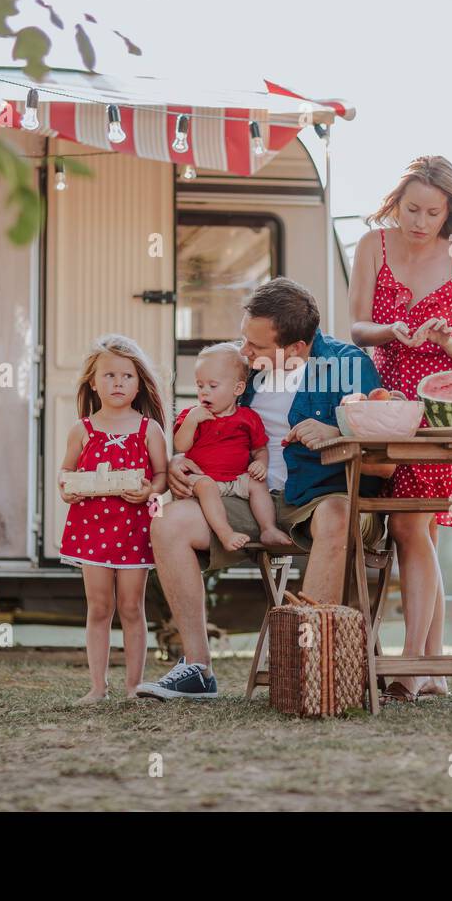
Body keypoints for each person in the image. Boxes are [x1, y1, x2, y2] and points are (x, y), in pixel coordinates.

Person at [135, 278, 389, 701]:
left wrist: (336, 429)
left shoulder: (347, 364)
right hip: (248, 494)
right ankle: (197, 668)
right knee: (168, 523)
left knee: (337, 515)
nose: (244, 351)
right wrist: (181, 460)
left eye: (254, 344)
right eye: (243, 338)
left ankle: (314, 666)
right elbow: (206, 419)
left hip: (320, 496)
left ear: (294, 349)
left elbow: (381, 435)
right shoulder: (244, 370)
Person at [349, 155, 452, 702]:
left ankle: (412, 665)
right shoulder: (373, 247)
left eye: (433, 212)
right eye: (411, 208)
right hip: (385, 403)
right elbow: (355, 328)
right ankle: (435, 668)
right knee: (420, 532)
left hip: (442, 407)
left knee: (412, 530)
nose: (420, 221)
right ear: (396, 203)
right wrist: (391, 329)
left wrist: (444, 341)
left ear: (449, 213)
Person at [57, 334, 168, 702]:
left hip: (134, 528)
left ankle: (134, 686)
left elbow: (161, 476)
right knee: (100, 606)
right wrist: (66, 489)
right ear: (93, 381)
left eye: (127, 376)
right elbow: (65, 473)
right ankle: (97, 687)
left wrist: (150, 491)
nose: (118, 383)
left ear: (139, 383)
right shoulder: (82, 430)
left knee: (132, 606)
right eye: (109, 376)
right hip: (92, 528)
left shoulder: (148, 430)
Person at [173, 341, 292, 551]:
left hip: (236, 478)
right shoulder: (194, 415)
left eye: (213, 386)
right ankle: (225, 533)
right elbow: (181, 445)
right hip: (204, 478)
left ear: (238, 388)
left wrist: (261, 464)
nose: (204, 393)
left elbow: (259, 449)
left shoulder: (248, 418)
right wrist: (191, 421)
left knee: (257, 483)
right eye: (200, 385)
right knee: (207, 486)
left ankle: (268, 528)